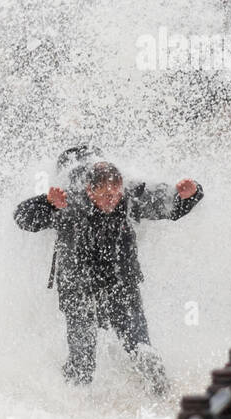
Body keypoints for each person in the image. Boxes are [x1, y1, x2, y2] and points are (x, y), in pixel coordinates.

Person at [14, 155, 204, 397]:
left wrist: (189, 194)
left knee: (140, 347)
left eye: (114, 192)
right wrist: (46, 202)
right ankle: (71, 407)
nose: (110, 198)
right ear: (89, 190)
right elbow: (22, 217)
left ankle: (163, 400)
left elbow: (170, 206)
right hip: (78, 290)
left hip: (122, 284)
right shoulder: (68, 203)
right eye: (104, 194)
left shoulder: (130, 197)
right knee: (83, 362)